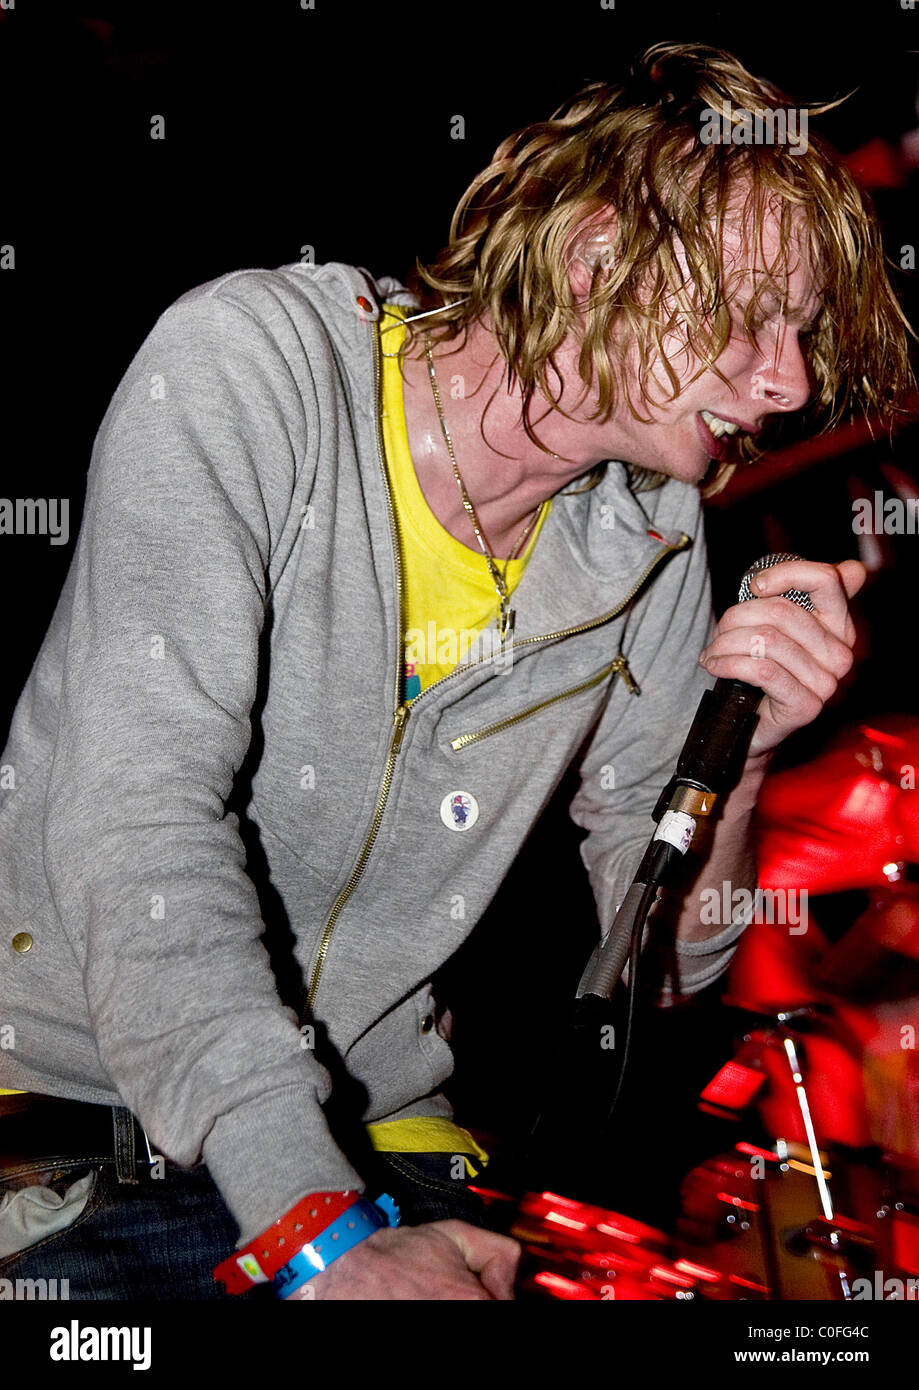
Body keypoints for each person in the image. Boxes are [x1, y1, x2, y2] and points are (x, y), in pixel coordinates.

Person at [0, 42, 912, 1302]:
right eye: (757, 315)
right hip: (84, 1141)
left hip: (396, 1150)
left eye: (802, 336)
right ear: (597, 259)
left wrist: (740, 766)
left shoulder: (652, 534)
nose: (791, 379)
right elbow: (139, 817)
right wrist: (315, 1233)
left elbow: (658, 972)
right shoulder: (253, 367)